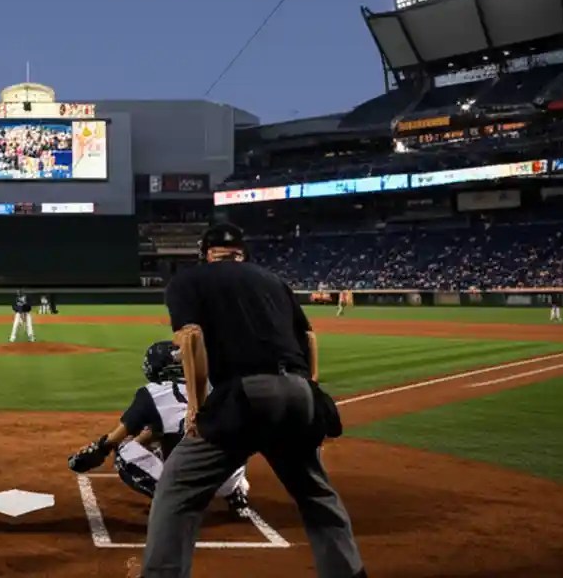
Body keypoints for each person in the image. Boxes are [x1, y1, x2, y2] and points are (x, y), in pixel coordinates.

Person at [133, 223, 365, 578]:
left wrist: (196, 406)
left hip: (246, 396)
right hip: (299, 393)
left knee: (177, 490)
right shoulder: (273, 280)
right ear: (241, 252)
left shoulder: (189, 281)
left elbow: (192, 338)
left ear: (206, 254)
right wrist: (311, 384)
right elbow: (308, 336)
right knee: (316, 494)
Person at [67, 340, 249, 512]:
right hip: (230, 472)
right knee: (216, 437)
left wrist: (98, 449)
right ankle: (237, 491)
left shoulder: (152, 393)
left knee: (124, 450)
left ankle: (175, 501)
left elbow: (115, 438)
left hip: (195, 473)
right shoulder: (213, 385)